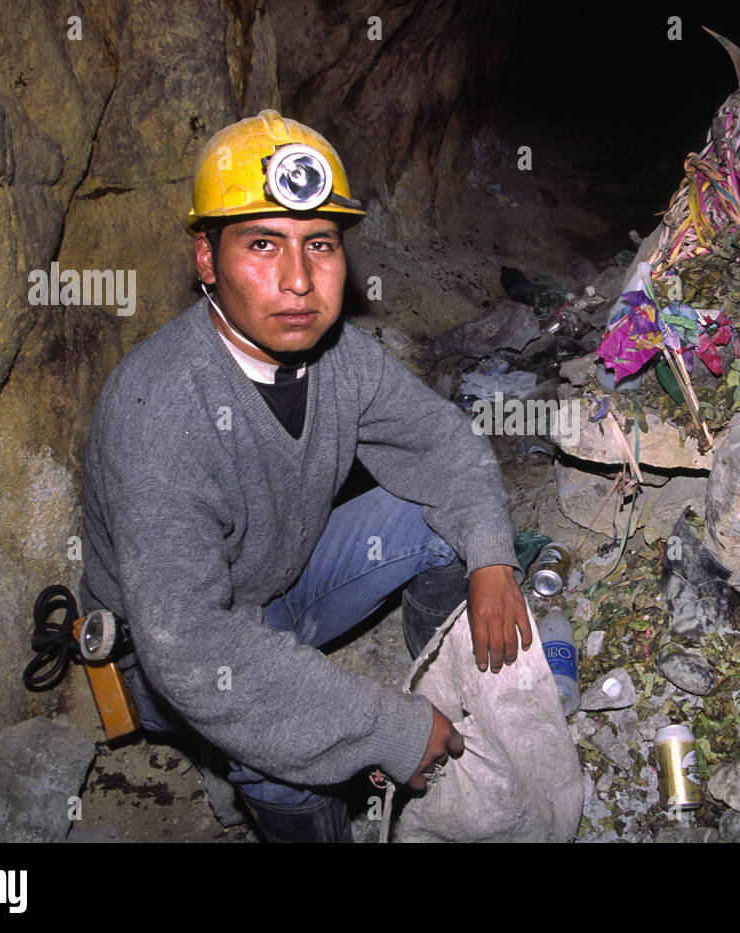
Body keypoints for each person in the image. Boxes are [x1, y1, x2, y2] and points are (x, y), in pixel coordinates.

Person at [78, 110, 532, 842]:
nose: (298, 280)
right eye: (263, 244)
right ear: (206, 259)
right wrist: (386, 727)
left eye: (319, 245)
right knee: (282, 746)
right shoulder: (157, 406)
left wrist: (492, 556)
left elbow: (444, 446)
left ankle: (451, 687)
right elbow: (193, 649)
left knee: (439, 523)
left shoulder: (338, 357)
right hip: (178, 659)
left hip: (279, 582)